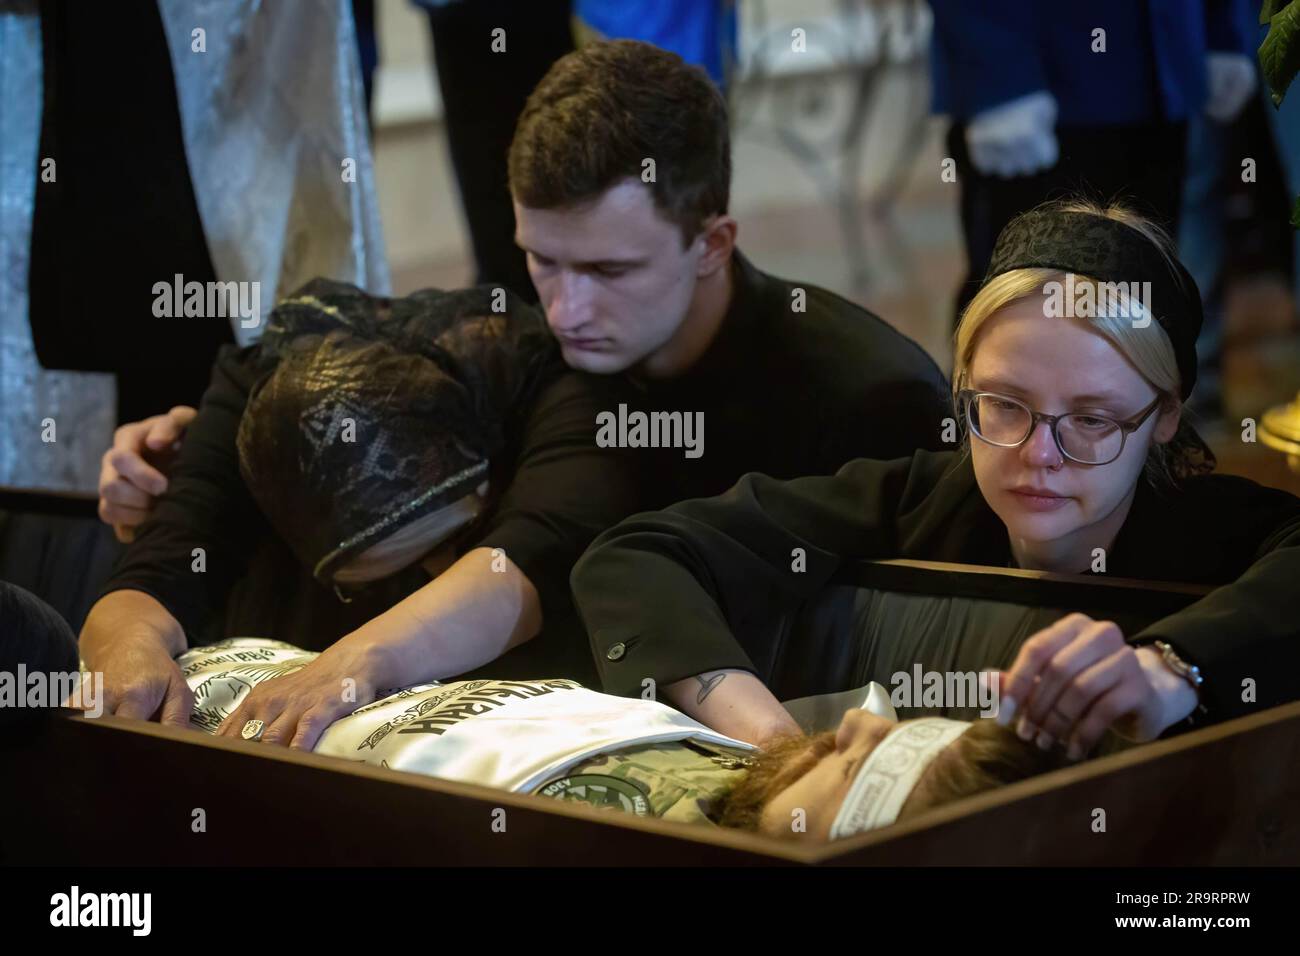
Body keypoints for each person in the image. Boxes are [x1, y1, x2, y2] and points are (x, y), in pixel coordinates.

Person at [88, 41, 952, 724]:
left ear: (712, 244)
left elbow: (922, 641)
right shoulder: (531, 353)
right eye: (543, 259)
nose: (569, 306)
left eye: (610, 268)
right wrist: (225, 452)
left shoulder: (864, 394)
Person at [571, 200, 1300, 755]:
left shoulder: (1226, 537)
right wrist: (781, 752)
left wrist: (1174, 665)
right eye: (1003, 406)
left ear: (1165, 416)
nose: (1038, 454)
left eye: (1093, 420)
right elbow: (637, 556)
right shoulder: (919, 502)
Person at [176, 637, 1062, 839]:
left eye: (872, 759)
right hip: (259, 661)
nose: (866, 722)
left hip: (187, 736)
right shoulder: (756, 765)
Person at [928, 0, 1257, 322]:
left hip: (1165, 68)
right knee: (1023, 316)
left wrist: (1224, 25)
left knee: (1141, 310)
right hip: (1047, 81)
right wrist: (997, 75)